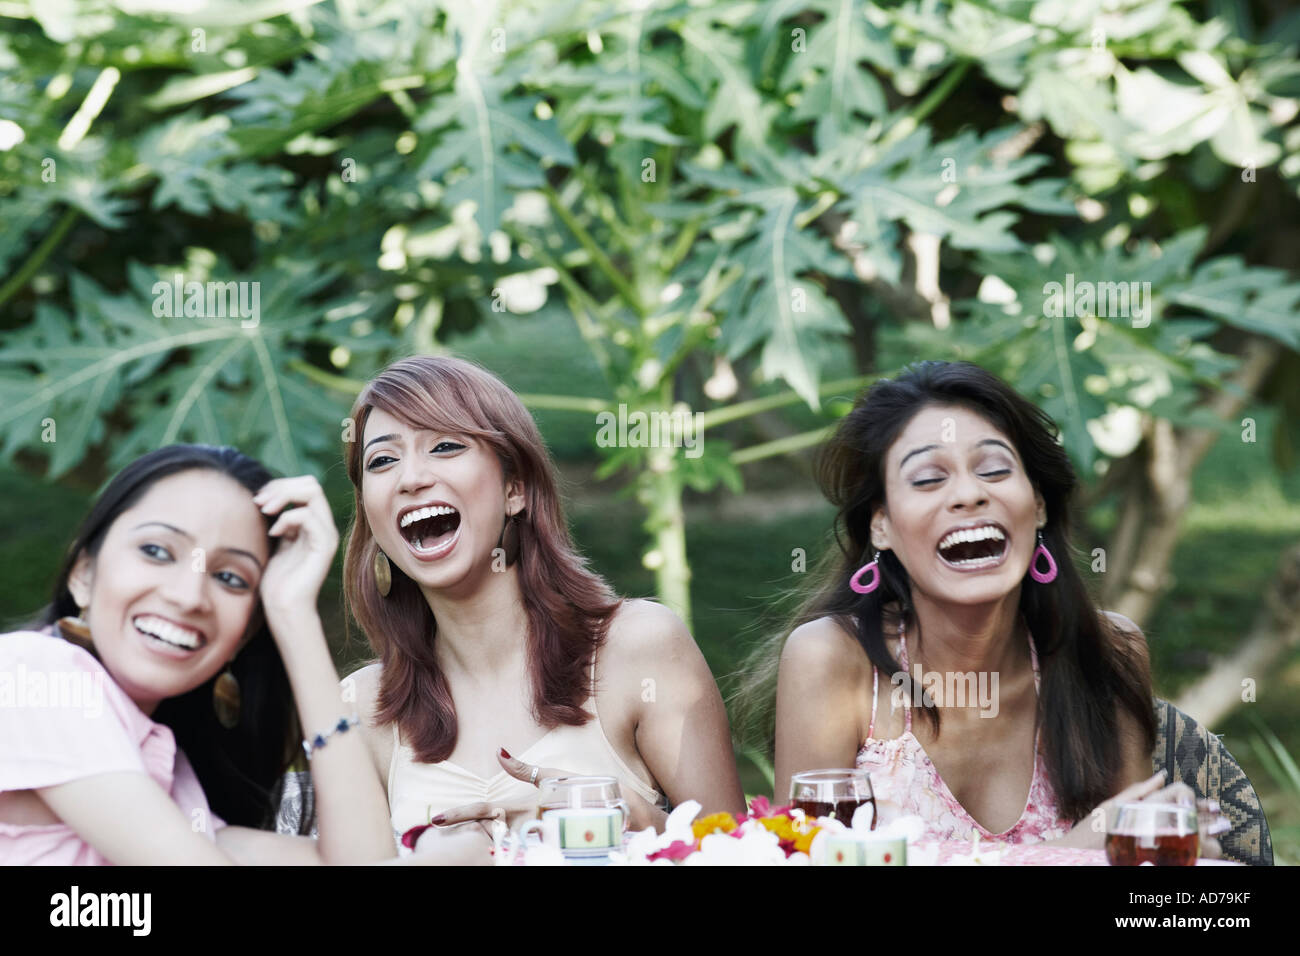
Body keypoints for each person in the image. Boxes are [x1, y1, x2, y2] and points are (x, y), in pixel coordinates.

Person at [737, 361, 1226, 850]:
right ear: (880, 525)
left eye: (994, 470)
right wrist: (1069, 851)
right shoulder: (832, 659)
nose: (969, 494)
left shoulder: (1108, 649)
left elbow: (1137, 869)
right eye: (928, 479)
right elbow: (803, 862)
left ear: (1038, 505)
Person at [341, 355, 744, 863]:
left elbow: (745, 853)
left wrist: (646, 826)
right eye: (382, 461)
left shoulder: (639, 647)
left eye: (445, 446)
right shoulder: (360, 708)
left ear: (516, 489)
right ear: (371, 515)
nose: (411, 477)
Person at [0, 445, 394, 864]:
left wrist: (293, 615)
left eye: (230, 577)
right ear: (83, 574)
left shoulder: (170, 780)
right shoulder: (35, 676)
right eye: (156, 551)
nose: (189, 598)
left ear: (245, 634)